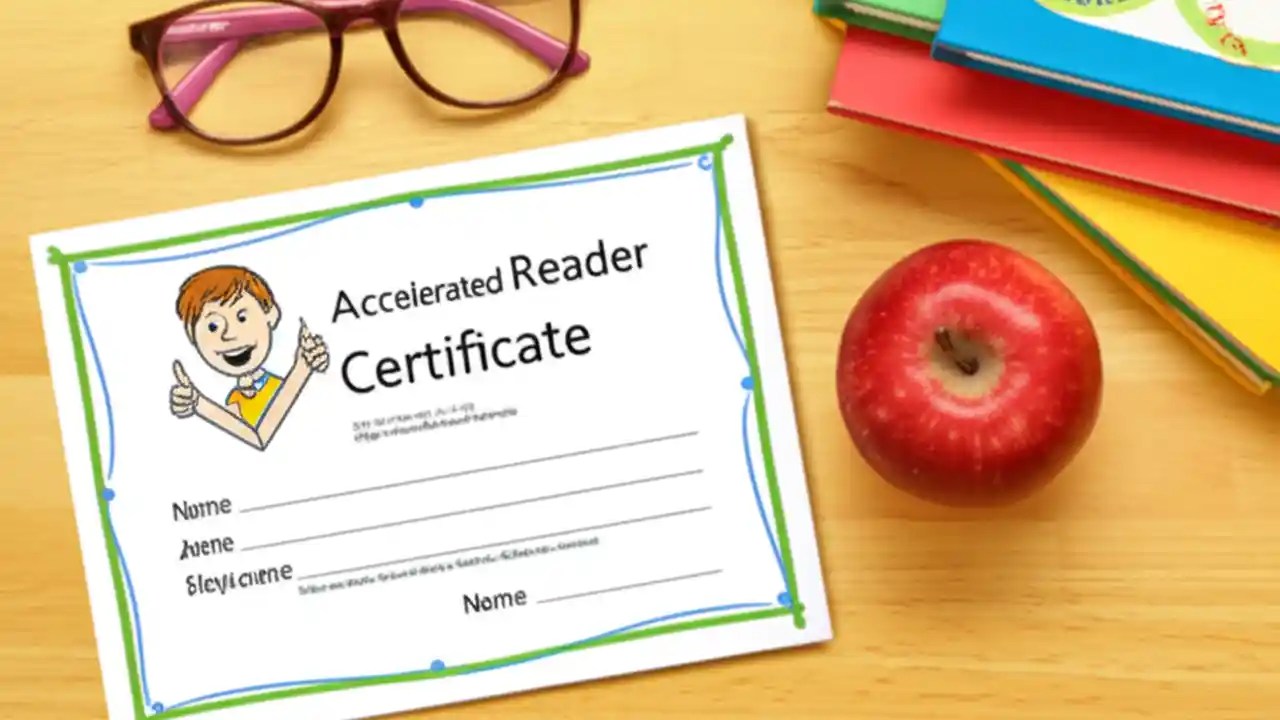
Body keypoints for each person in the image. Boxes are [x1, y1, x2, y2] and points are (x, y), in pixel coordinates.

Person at [168, 264, 329, 450]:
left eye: (242, 318)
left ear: (270, 314)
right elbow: (258, 438)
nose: (229, 334)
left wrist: (307, 365)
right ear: (192, 335)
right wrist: (197, 403)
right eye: (213, 327)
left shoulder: (278, 385)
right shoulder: (235, 400)